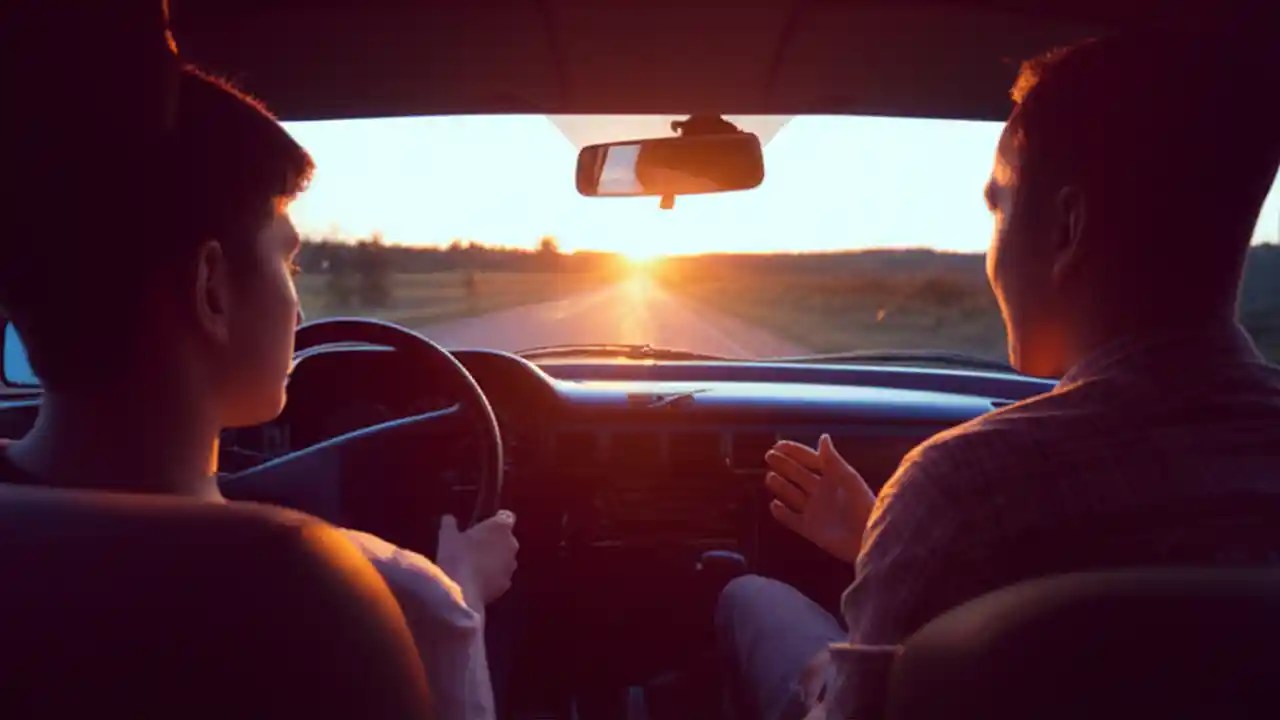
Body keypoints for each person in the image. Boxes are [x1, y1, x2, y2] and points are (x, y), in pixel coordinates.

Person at [717, 26, 1280, 720]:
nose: (989, 254)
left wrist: (824, 677)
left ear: (1066, 229)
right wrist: (880, 534)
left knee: (751, 599)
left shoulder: (958, 492)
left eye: (998, 206)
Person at [0, 64, 517, 720]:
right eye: (290, 262)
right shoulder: (343, 591)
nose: (298, 310)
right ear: (211, 288)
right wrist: (462, 585)